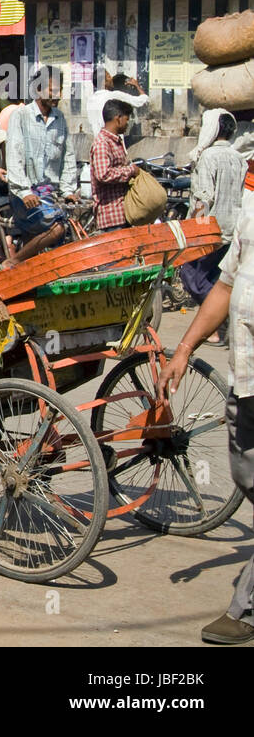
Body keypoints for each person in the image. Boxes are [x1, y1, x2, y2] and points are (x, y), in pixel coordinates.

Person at [155, 205, 254, 645]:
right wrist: (183, 349)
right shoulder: (252, 208)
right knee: (244, 472)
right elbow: (228, 283)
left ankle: (244, 609)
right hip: (245, 376)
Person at [4, 66, 78, 268]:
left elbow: (68, 156)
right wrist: (24, 191)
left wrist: (68, 190)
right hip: (24, 195)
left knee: (75, 220)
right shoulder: (21, 116)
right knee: (59, 228)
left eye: (60, 90)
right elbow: (14, 157)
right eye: (53, 90)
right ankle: (13, 261)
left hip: (50, 193)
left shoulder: (60, 118)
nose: (58, 95)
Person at [185, 112, 247, 313]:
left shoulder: (208, 156)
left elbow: (204, 198)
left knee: (190, 275)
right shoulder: (239, 158)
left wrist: (195, 231)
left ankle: (218, 318)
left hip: (211, 230)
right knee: (215, 277)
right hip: (232, 226)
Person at [89, 96, 139, 233]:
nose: (127, 124)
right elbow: (103, 174)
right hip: (111, 216)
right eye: (126, 120)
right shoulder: (102, 143)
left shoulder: (116, 141)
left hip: (122, 213)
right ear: (118, 119)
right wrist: (130, 171)